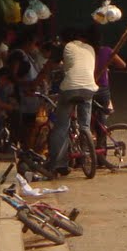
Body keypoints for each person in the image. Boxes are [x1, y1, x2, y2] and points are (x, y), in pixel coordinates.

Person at [49, 27, 100, 176]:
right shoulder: (90, 48)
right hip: (89, 88)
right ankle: (86, 144)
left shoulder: (65, 46)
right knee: (85, 125)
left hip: (70, 88)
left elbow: (50, 66)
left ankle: (59, 164)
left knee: (61, 126)